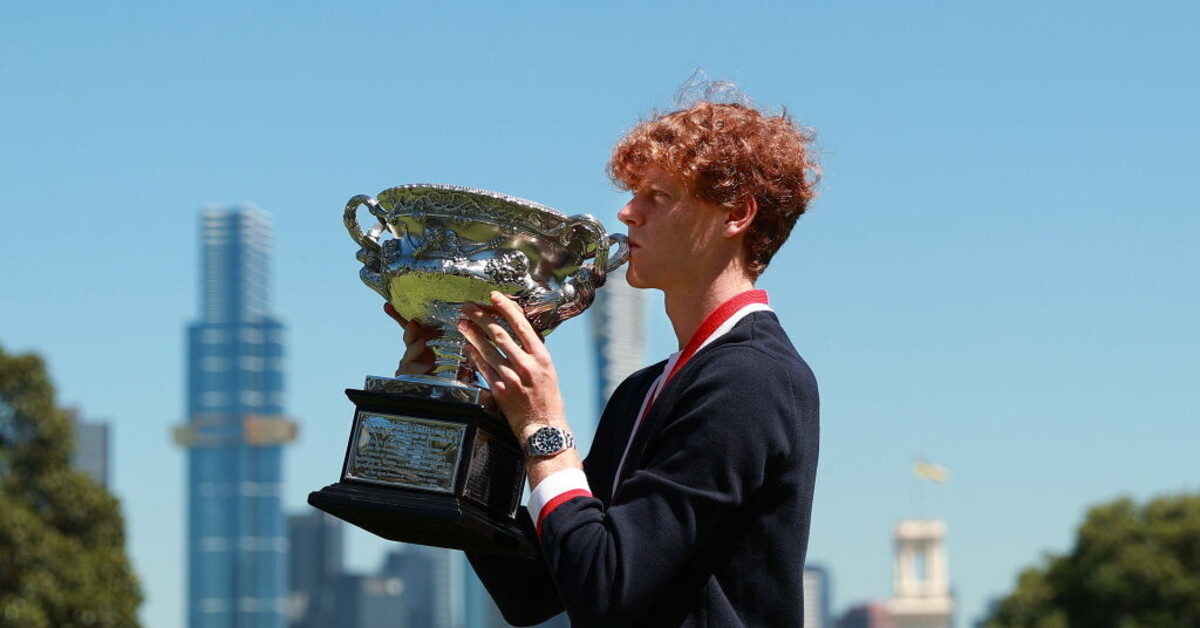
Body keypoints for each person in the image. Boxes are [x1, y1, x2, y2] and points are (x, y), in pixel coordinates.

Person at [391, 94, 820, 627]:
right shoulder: (643, 391)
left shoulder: (752, 378)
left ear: (736, 213)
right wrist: (468, 422)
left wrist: (545, 428)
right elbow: (533, 591)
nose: (626, 212)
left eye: (657, 195)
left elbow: (608, 590)